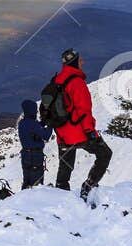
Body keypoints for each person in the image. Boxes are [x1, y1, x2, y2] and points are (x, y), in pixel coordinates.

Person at [42, 48, 112, 199]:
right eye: (80, 60)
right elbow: (84, 110)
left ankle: (61, 194)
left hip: (62, 133)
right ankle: (88, 186)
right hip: (78, 133)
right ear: (74, 62)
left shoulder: (57, 80)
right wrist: (90, 132)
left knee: (65, 166)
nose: (83, 62)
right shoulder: (77, 82)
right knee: (105, 154)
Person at [17, 98, 51, 188]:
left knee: (27, 180)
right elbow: (46, 135)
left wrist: (42, 123)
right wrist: (51, 124)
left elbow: (34, 128)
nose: (36, 112)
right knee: (36, 183)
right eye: (35, 110)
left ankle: (23, 198)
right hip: (35, 156)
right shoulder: (33, 124)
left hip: (25, 155)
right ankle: (35, 200)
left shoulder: (22, 123)